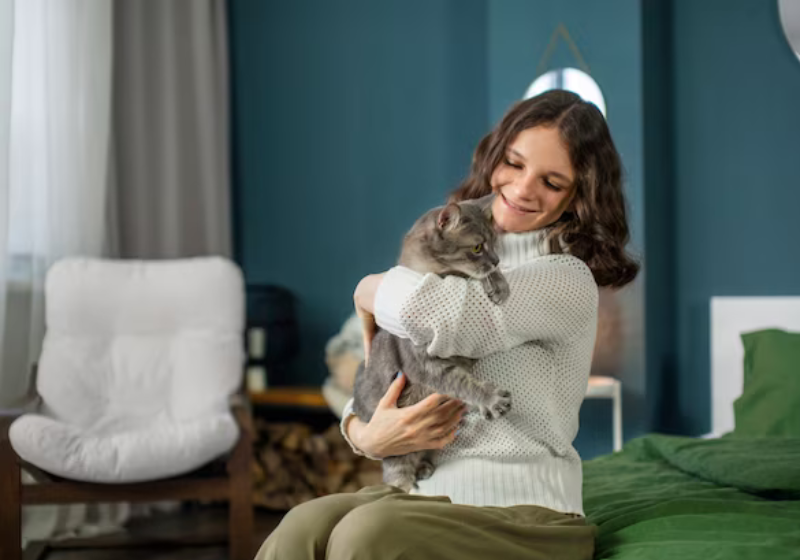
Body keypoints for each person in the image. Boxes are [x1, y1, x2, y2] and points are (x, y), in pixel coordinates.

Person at [255, 89, 639, 560]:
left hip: (524, 513)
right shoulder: (441, 266)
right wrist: (364, 435)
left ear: (579, 198)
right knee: (301, 526)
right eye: (514, 164)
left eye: (552, 182)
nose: (521, 189)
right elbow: (375, 377)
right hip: (424, 497)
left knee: (366, 535)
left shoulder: (565, 278)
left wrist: (368, 287)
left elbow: (454, 318)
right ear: (494, 157)